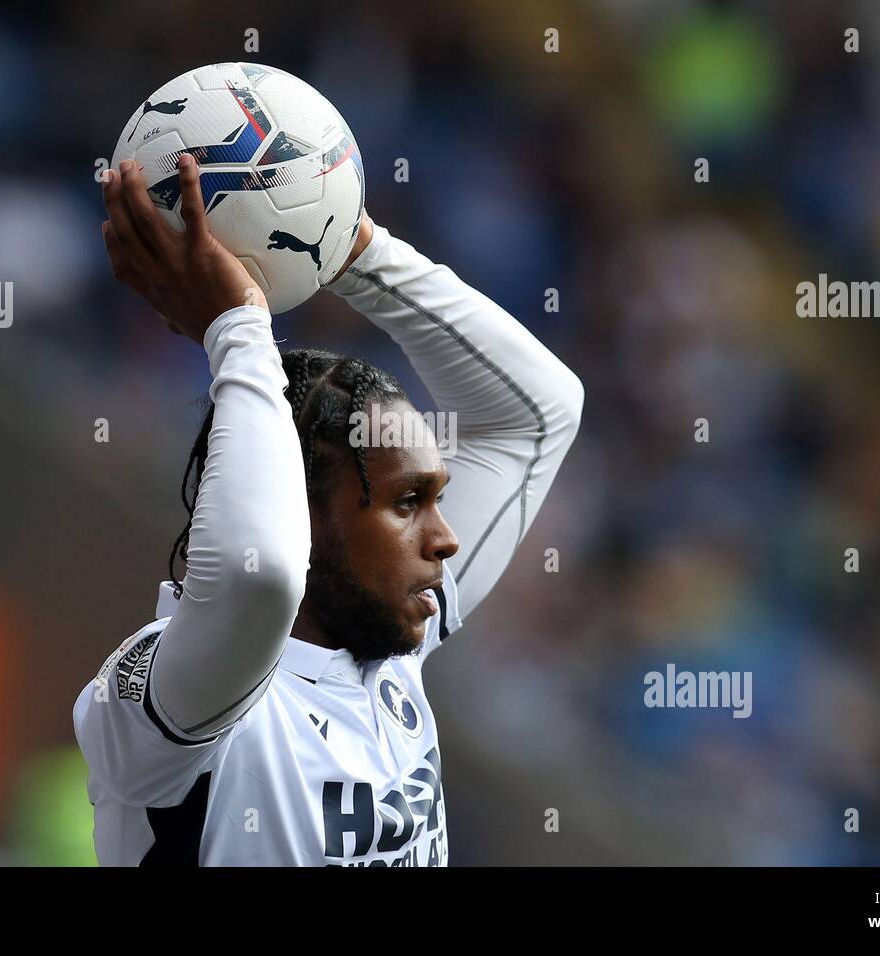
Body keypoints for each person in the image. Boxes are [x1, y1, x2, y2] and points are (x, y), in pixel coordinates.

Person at [74, 152, 584, 865]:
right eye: (407, 502)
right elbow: (261, 580)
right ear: (305, 517)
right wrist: (236, 328)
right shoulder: (179, 690)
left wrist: (346, 248)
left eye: (435, 498)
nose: (445, 539)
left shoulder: (388, 641)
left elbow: (537, 414)